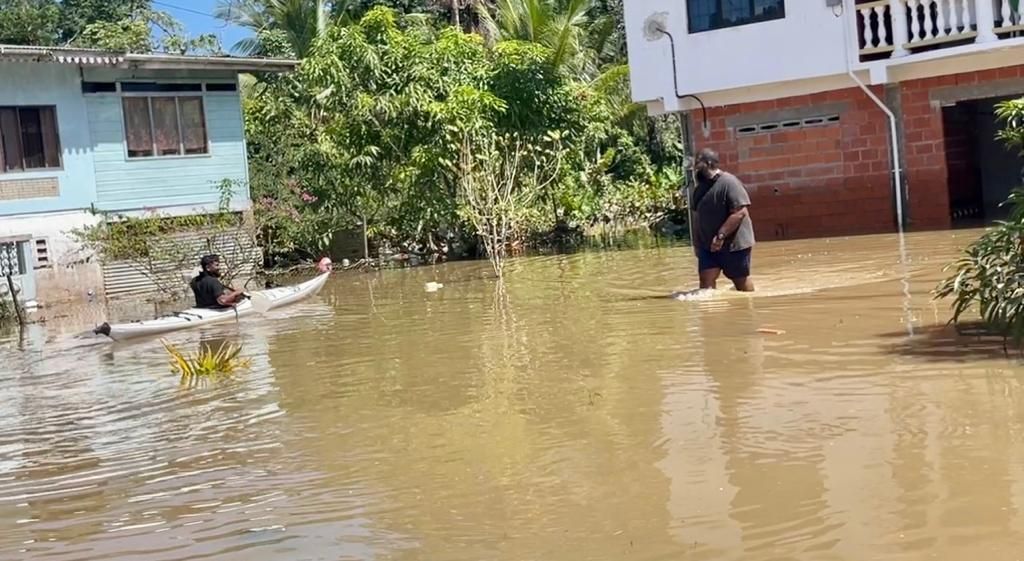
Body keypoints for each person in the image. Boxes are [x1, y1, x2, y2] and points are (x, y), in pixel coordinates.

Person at [690, 148, 755, 292]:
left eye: (698, 165)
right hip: (708, 247)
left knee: (741, 282)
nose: (695, 169)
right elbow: (696, 218)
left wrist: (720, 236)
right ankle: (710, 313)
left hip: (734, 245)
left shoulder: (729, 183)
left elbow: (740, 212)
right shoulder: (699, 189)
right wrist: (697, 244)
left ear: (708, 164)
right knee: (705, 283)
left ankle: (747, 308)